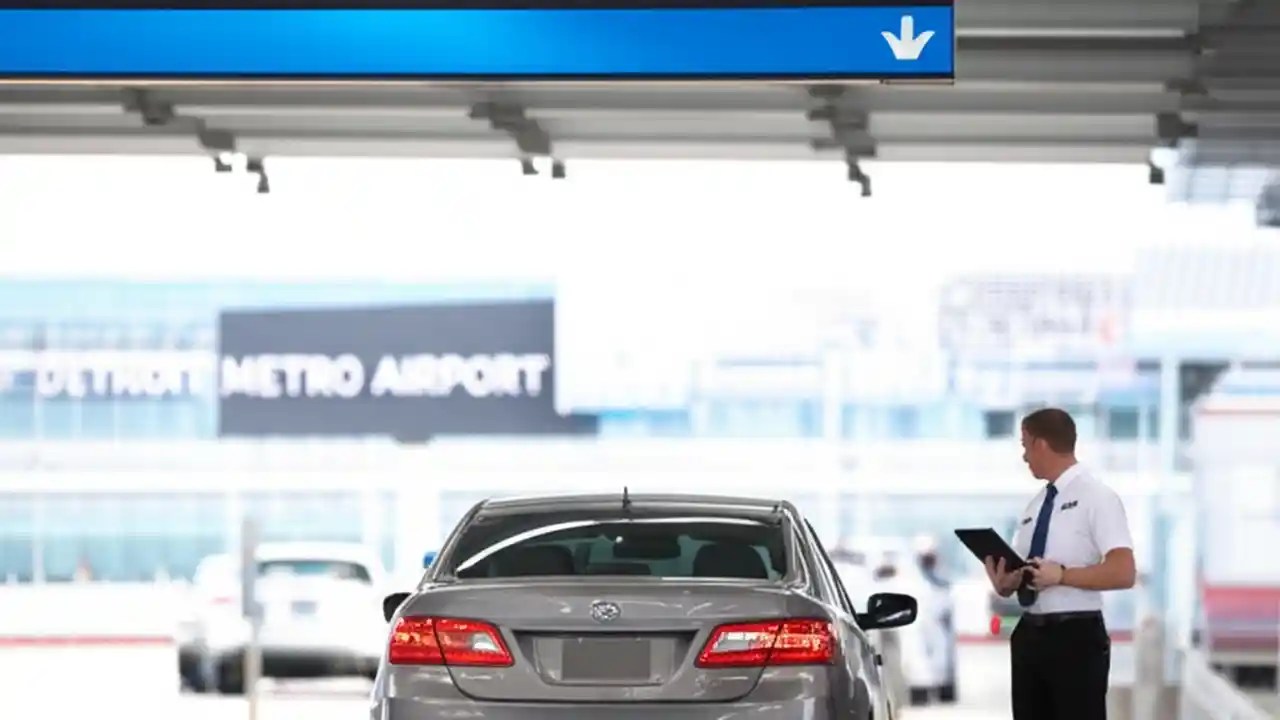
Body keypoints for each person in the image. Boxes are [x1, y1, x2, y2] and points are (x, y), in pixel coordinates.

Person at [983, 407, 1136, 720]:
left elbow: (1124, 571)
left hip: (1075, 636)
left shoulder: (1098, 497)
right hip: (1030, 635)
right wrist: (1008, 582)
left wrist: (1063, 575)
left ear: (1041, 444)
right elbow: (1027, 568)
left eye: (1025, 446)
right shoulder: (1034, 506)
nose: (1024, 456)